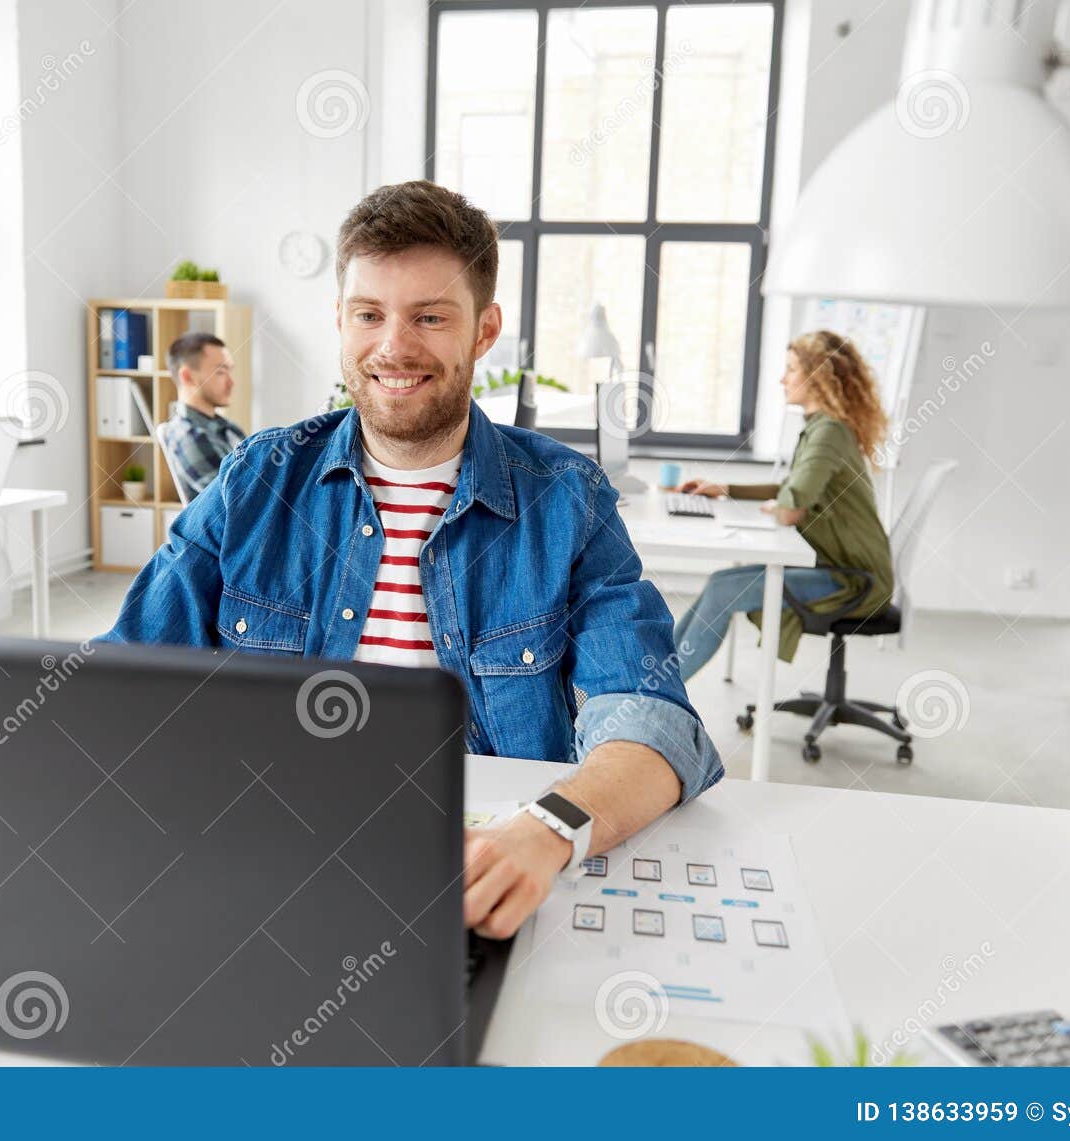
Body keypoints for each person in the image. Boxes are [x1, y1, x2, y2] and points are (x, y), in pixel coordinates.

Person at [97, 180, 722, 940]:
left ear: (484, 329)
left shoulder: (566, 499)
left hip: (469, 866)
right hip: (262, 850)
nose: (393, 346)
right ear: (340, 320)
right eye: (369, 314)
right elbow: (123, 679)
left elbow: (652, 717)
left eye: (430, 316)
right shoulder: (255, 479)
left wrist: (547, 827)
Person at [671, 330, 895, 682]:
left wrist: (780, 506)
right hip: (839, 567)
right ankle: (649, 682)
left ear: (818, 376)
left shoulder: (829, 433)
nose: (782, 379)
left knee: (724, 590)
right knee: (719, 581)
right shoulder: (822, 428)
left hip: (851, 580)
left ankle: (653, 696)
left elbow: (791, 507)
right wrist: (727, 489)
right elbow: (790, 490)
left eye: (791, 369)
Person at [163, 332, 246, 497]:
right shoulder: (187, 437)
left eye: (230, 371)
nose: (232, 382)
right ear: (187, 376)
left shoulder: (228, 429)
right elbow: (239, 500)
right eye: (221, 372)